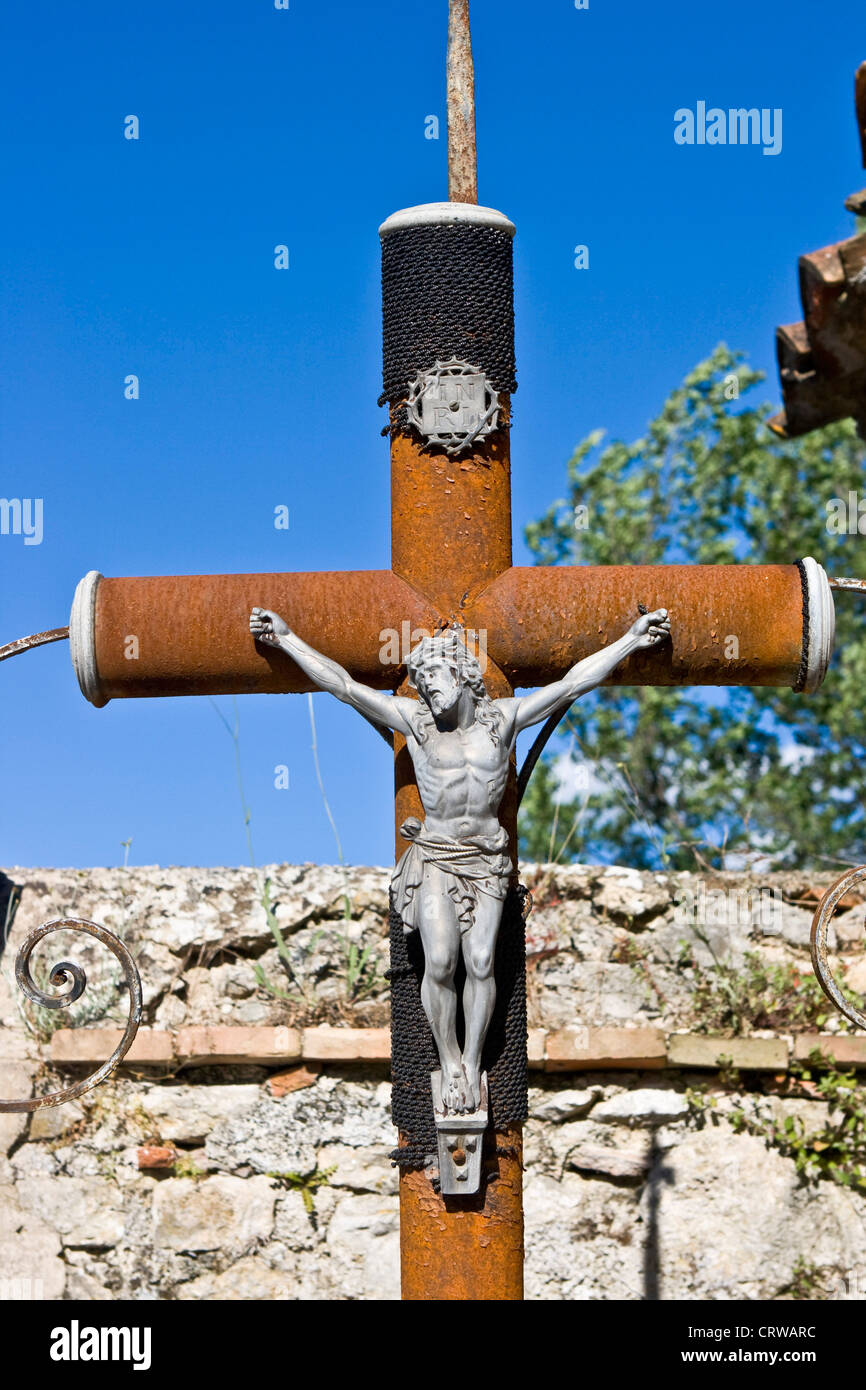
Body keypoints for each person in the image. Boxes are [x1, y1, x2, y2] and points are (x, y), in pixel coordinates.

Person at [250, 605, 670, 1113]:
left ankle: (472, 1062)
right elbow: (343, 686)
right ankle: (448, 1060)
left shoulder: (504, 718)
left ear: (462, 673)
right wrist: (290, 639)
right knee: (442, 961)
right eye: (420, 679)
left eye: (434, 674)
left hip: (488, 860)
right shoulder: (416, 722)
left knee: (482, 961)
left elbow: (570, 685)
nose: (427, 686)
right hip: (436, 856)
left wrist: (630, 640)